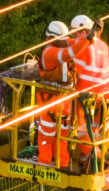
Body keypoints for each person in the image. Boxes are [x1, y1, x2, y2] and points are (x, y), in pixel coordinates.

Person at [36, 20, 91, 168]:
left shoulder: (59, 45)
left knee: (62, 137)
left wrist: (91, 35)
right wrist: (88, 39)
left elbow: (73, 43)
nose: (66, 42)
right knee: (47, 136)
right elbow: (69, 53)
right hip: (51, 103)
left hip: (62, 102)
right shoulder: (50, 53)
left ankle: (62, 164)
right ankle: (45, 166)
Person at [70, 14, 109, 167]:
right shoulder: (104, 45)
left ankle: (94, 158)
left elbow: (73, 69)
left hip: (86, 94)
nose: (75, 36)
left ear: (84, 32)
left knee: (81, 130)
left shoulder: (82, 48)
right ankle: (92, 155)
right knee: (94, 130)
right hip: (103, 94)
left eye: (76, 33)